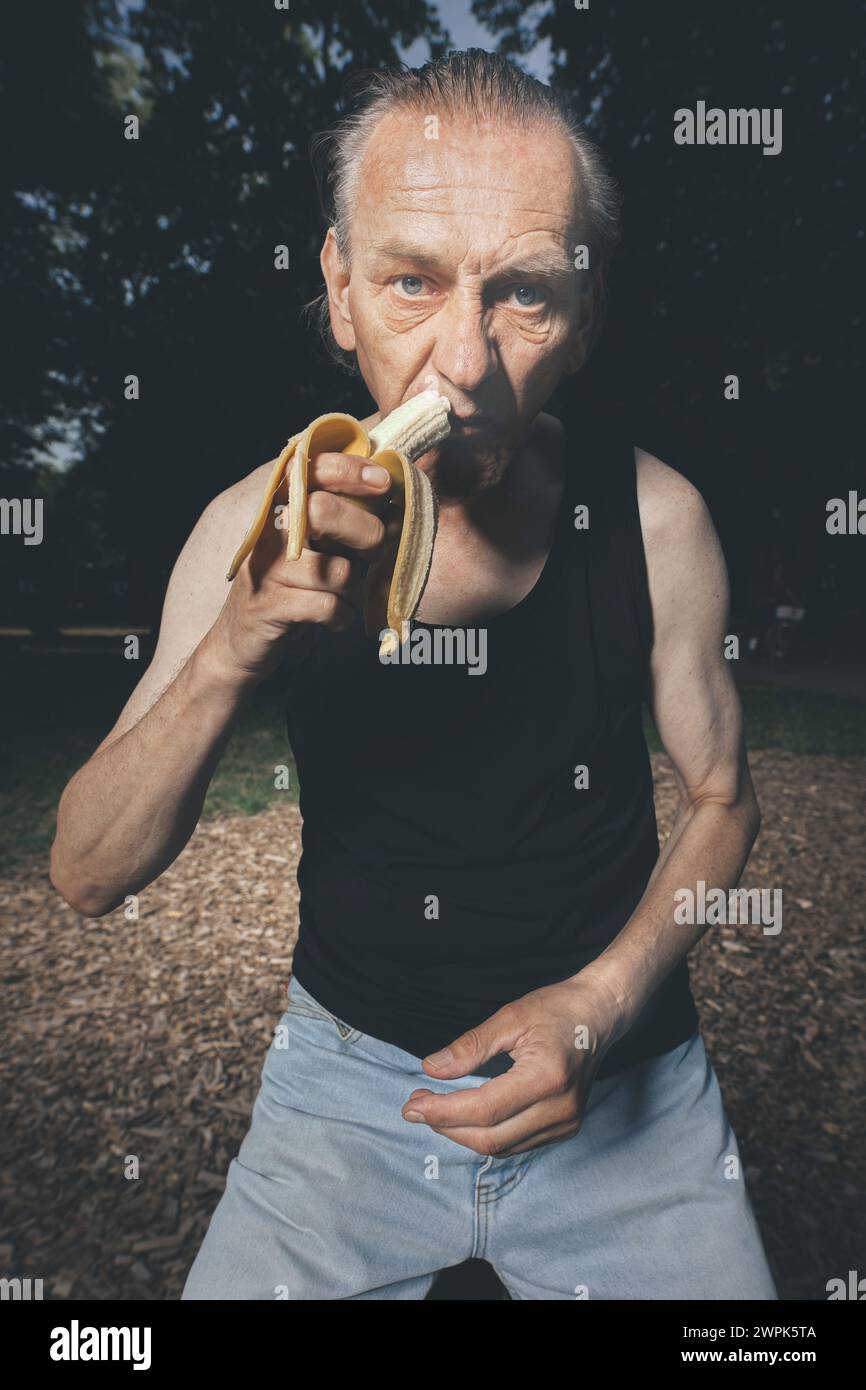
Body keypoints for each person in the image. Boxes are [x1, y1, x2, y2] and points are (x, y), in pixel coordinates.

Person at [50, 50, 778, 1301]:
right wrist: (234, 648)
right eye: (409, 281)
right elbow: (85, 872)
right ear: (336, 293)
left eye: (524, 298)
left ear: (586, 317)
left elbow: (724, 800)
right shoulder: (247, 526)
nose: (463, 365)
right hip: (342, 1091)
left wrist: (598, 1009)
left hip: (633, 1080)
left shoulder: (657, 521)